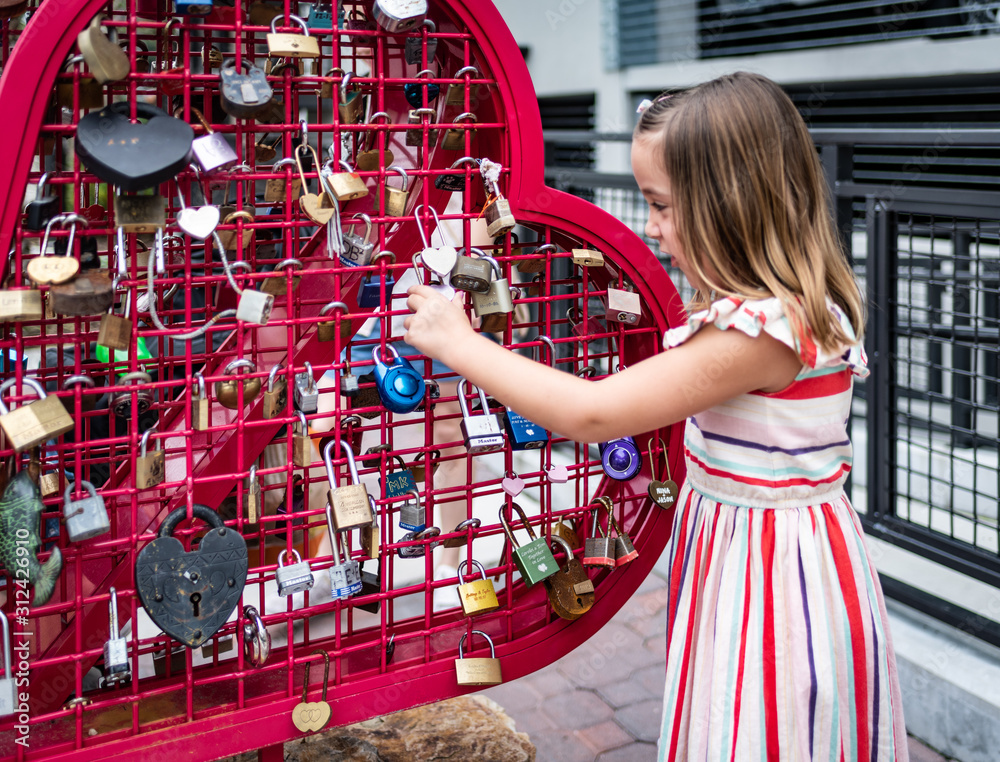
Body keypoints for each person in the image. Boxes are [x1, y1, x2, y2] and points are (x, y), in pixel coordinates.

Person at [404, 72, 907, 760]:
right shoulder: (790, 306)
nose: (651, 226)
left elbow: (593, 415)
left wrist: (459, 345)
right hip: (774, 553)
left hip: (769, 581)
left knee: (760, 726)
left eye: (662, 206)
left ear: (728, 203)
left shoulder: (758, 332)